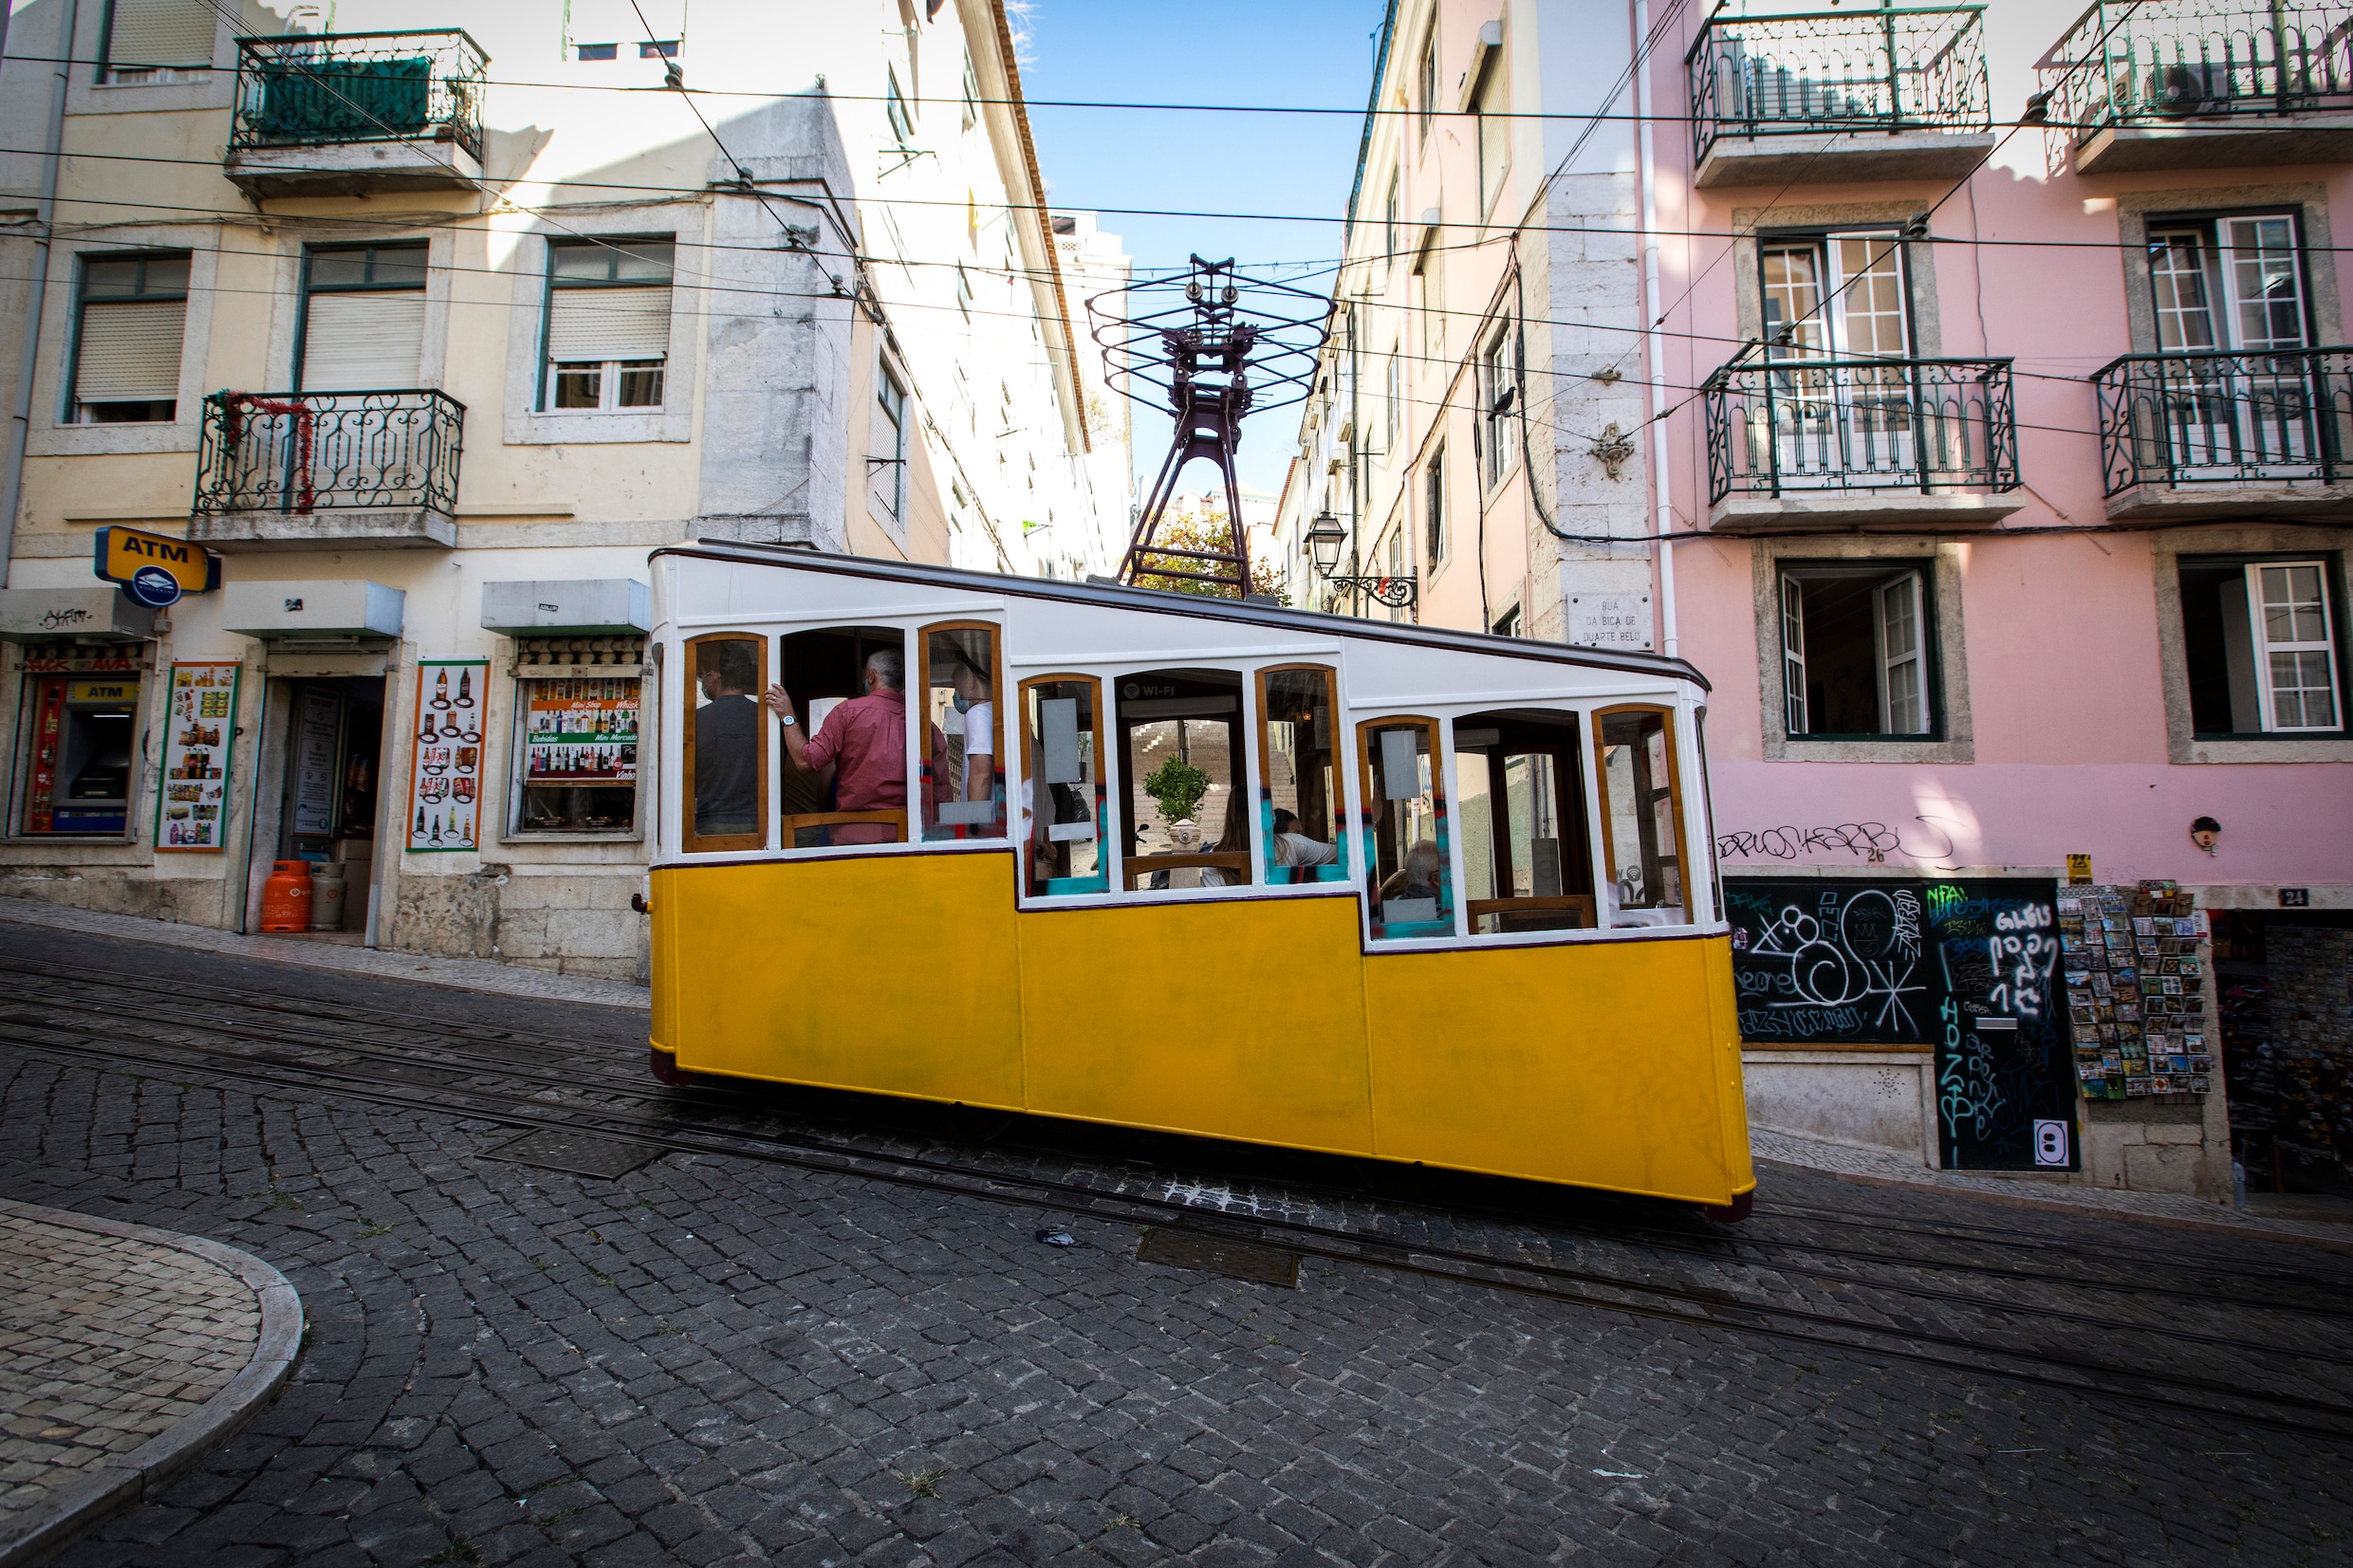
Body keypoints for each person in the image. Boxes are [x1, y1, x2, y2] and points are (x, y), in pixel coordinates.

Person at [765, 648, 941, 845]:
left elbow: (806, 761)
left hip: (854, 838)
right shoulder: (925, 726)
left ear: (871, 676)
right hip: (909, 836)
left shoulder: (847, 713)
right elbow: (940, 790)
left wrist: (787, 716)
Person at [693, 641, 760, 838]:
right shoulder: (763, 718)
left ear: (714, 676)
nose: (704, 682)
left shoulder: (696, 720)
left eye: (703, 675)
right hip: (758, 822)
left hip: (711, 823)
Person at [1269, 807, 1338, 880]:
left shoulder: (1299, 844)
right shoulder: (1289, 842)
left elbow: (1336, 853)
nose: (1301, 837)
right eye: (1296, 833)